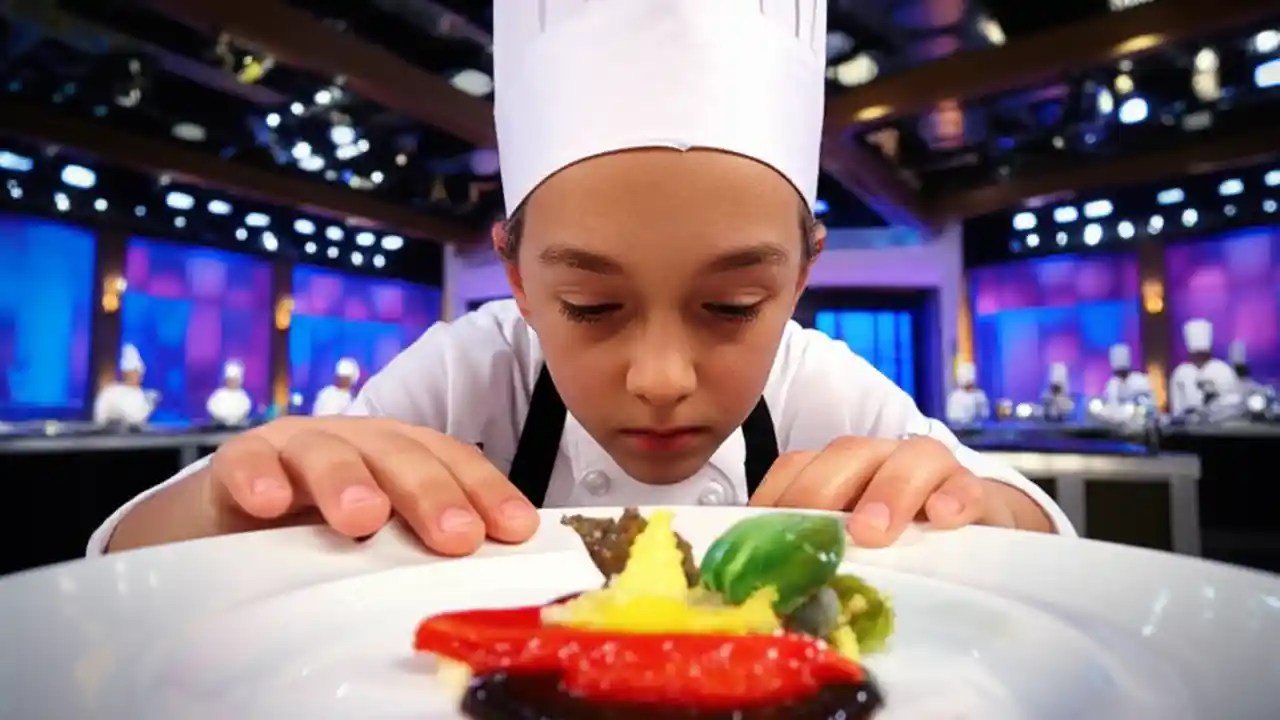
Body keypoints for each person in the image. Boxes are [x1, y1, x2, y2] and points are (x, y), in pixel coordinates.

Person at [93, 1, 1072, 559]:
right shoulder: (462, 381)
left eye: (732, 307)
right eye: (591, 306)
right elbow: (117, 561)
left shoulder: (820, 391)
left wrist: (979, 513)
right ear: (517, 280)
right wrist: (235, 506)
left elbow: (1040, 532)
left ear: (802, 275)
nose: (660, 378)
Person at [1169, 319, 1238, 416]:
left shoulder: (1223, 370)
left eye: (1202, 354)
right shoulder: (1181, 373)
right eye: (1196, 354)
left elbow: (1232, 401)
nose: (1199, 358)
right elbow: (1177, 405)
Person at [93, 343, 156, 427]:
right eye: (133, 373)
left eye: (138, 374)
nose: (136, 377)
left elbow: (141, 422)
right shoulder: (111, 392)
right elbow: (133, 418)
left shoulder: (139, 394)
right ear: (125, 374)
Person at [1102, 343, 1151, 408]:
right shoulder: (1111, 384)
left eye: (1122, 372)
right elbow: (1107, 401)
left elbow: (1148, 399)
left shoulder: (1141, 380)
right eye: (1118, 372)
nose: (1120, 376)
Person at [207, 360, 253, 427]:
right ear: (226, 380)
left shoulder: (244, 397)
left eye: (235, 380)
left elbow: (245, 411)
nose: (232, 382)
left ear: (240, 381)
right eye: (230, 380)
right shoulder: (218, 395)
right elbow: (211, 408)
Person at [945, 361, 990, 426]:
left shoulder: (980, 396)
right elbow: (951, 417)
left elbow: (985, 414)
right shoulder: (954, 397)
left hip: (977, 429)